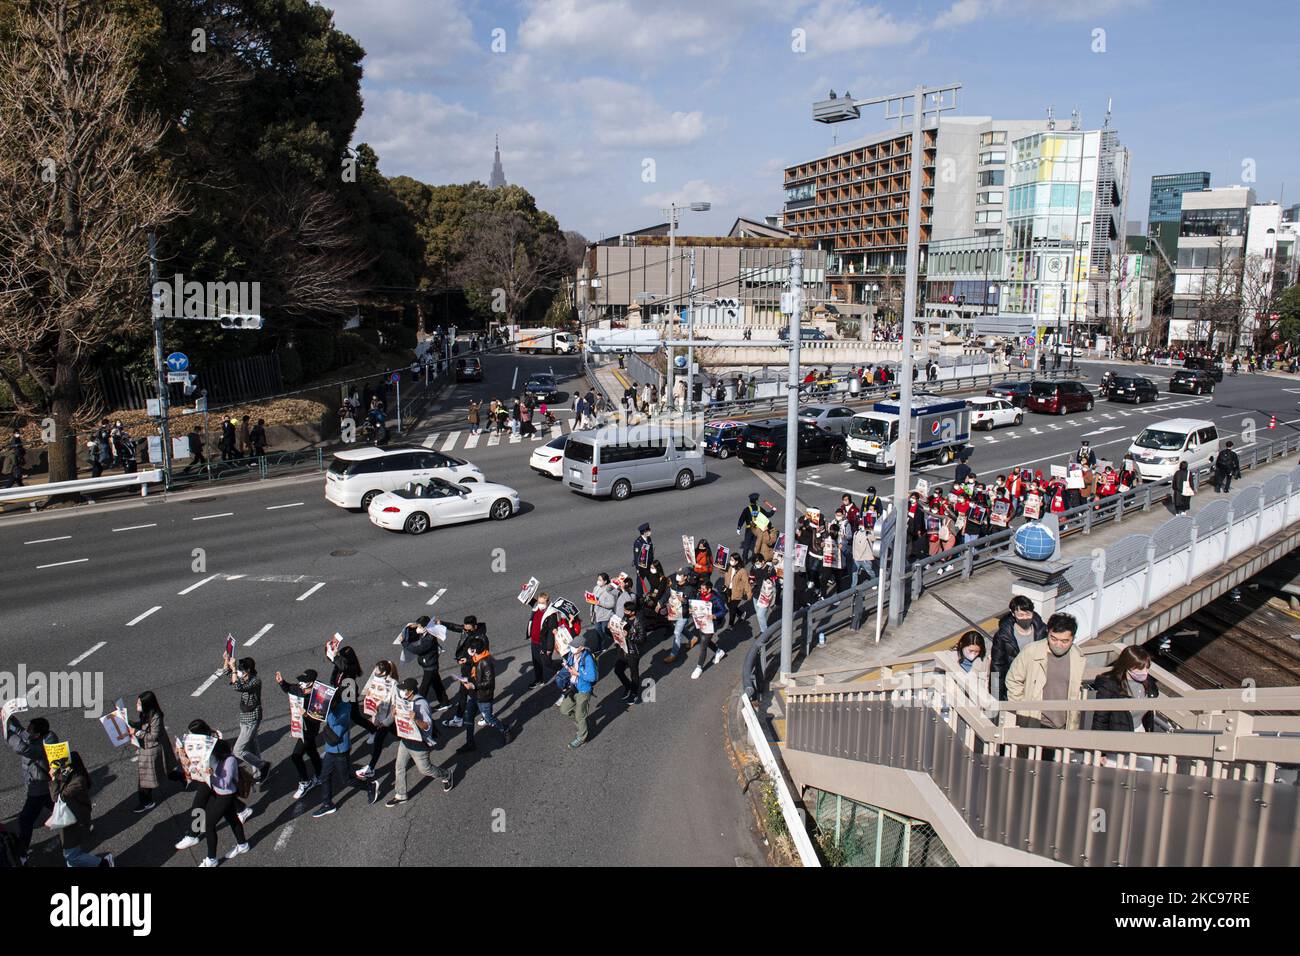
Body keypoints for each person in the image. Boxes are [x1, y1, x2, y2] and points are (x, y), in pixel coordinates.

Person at [1005, 612, 1086, 731]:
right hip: (1036, 720)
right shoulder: (1031, 651)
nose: (1058, 645)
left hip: (1065, 724)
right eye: (1053, 639)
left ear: (1073, 639)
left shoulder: (1078, 657)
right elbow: (1013, 680)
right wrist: (1022, 707)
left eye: (1064, 641)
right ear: (1048, 632)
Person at [385, 678, 453, 805]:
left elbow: (427, 726)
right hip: (405, 740)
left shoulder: (422, 704)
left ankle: (446, 774)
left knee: (425, 770)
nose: (401, 692)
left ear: (410, 692)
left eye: (404, 690)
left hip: (419, 743)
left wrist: (415, 718)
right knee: (399, 766)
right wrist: (394, 713)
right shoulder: (404, 701)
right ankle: (401, 794)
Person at [5, 715, 57, 863]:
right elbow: (21, 732)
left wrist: (6, 732)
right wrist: (9, 718)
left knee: (25, 820)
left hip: (38, 788)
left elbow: (21, 747)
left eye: (31, 729)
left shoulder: (39, 747)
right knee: (53, 804)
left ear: (38, 734)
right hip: (42, 786)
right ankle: (78, 820)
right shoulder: (40, 737)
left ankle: (22, 852)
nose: (27, 731)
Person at [49, 752, 113, 868]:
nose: (63, 768)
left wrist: (54, 779)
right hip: (70, 818)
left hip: (75, 821)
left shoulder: (78, 781)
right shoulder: (70, 776)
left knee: (72, 855)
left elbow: (57, 797)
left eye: (65, 765)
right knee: (71, 855)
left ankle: (103, 863)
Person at [455, 636, 510, 753]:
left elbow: (489, 683)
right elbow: (475, 662)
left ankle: (505, 729)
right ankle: (470, 743)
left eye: (471, 649)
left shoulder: (486, 662)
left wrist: (474, 686)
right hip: (475, 694)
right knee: (469, 718)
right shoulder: (478, 658)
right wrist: (467, 660)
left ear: (476, 650)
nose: (469, 651)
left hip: (483, 696)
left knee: (489, 718)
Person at [275, 668, 322, 799]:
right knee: (312, 751)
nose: (300, 684)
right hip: (301, 728)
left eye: (303, 682)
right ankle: (320, 774)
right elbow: (290, 688)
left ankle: (305, 782)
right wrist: (282, 682)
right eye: (300, 681)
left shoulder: (318, 696)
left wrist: (306, 714)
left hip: (309, 730)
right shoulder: (298, 689)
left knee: (296, 756)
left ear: (311, 683)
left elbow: (319, 718)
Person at [225, 655, 272, 786]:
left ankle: (263, 766)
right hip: (244, 717)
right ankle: (259, 773)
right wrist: (227, 661)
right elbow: (227, 673)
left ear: (248, 670)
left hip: (252, 719)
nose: (239, 672)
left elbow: (237, 687)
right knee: (252, 746)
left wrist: (233, 669)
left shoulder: (255, 681)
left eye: (241, 670)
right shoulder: (244, 677)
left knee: (238, 750)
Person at [1090, 647, 1161, 733]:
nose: (1145, 672)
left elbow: (1149, 715)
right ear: (1127, 667)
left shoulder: (1147, 683)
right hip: (1119, 737)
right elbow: (1100, 720)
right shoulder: (1110, 686)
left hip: (1140, 730)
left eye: (1147, 667)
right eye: (1140, 668)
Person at [127, 691, 174, 813]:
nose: (137, 704)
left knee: (144, 780)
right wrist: (133, 725)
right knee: (158, 773)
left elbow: (153, 736)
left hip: (151, 750)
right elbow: (143, 726)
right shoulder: (146, 713)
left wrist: (137, 732)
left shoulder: (156, 716)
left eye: (139, 702)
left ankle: (146, 802)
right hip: (147, 749)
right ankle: (182, 778)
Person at [991, 596, 1047, 700]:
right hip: (1014, 683)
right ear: (1013, 614)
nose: (1025, 618)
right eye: (1021, 615)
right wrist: (995, 696)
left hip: (1037, 682)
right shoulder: (1003, 636)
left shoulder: (1041, 630)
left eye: (1028, 614)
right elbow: (997, 665)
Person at [354, 660, 400, 786]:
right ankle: (415, 741)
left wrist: (385, 721)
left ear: (384, 672)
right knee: (396, 733)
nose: (375, 672)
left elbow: (395, 705)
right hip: (381, 719)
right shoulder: (377, 679)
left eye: (377, 671)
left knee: (379, 741)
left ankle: (370, 768)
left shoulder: (393, 684)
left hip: (386, 719)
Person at [312, 684, 353, 818]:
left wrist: (328, 709)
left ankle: (369, 786)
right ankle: (327, 804)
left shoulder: (344, 709)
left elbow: (335, 722)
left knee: (346, 780)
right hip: (331, 748)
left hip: (341, 749)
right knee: (325, 776)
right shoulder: (335, 707)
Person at [558, 635, 599, 748]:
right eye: (571, 646)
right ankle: (583, 726)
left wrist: (578, 673)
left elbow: (592, 677)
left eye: (574, 647)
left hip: (583, 690)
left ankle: (582, 738)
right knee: (564, 709)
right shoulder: (572, 654)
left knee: (580, 715)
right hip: (573, 687)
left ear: (581, 647)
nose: (572, 648)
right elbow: (570, 666)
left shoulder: (588, 658)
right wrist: (567, 667)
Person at [400, 615, 449, 707]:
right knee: (437, 684)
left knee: (423, 688)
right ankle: (444, 702)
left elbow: (418, 650)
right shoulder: (426, 632)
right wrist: (411, 628)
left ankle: (417, 706)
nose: (417, 628)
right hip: (430, 664)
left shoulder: (429, 638)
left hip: (430, 666)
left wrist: (404, 643)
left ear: (425, 627)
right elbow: (413, 635)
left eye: (419, 626)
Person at [689, 579, 728, 680]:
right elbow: (696, 604)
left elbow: (723, 610)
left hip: (712, 624)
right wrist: (692, 609)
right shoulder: (699, 595)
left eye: (703, 589)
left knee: (703, 645)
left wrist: (715, 616)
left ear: (709, 589)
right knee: (705, 640)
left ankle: (699, 667)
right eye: (701, 588)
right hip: (701, 622)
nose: (701, 590)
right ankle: (719, 652)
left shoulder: (716, 598)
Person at [523, 593, 561, 688]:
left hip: (543, 644)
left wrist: (549, 648)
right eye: (539, 602)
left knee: (546, 662)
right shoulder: (537, 607)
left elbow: (551, 634)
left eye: (542, 602)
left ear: (547, 602)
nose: (540, 604)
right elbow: (529, 600)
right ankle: (539, 680)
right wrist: (526, 590)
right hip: (534, 641)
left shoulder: (551, 614)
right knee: (536, 662)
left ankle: (559, 667)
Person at [613, 600, 646, 704]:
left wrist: (630, 636)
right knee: (618, 670)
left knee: (634, 674)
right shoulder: (624, 618)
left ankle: (634, 693)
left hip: (633, 652)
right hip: (623, 650)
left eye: (627, 610)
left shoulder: (638, 622)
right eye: (624, 609)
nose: (624, 611)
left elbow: (642, 639)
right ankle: (628, 686)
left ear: (633, 612)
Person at [589, 573, 619, 654]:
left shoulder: (609, 590)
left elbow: (611, 604)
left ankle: (617, 641)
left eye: (600, 580)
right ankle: (601, 646)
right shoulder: (596, 588)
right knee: (598, 631)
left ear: (605, 581)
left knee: (605, 631)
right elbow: (593, 599)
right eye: (598, 579)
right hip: (597, 614)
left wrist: (599, 603)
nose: (598, 581)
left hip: (606, 616)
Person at [723, 553, 752, 627]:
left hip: (737, 592)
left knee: (732, 610)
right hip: (728, 590)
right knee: (729, 605)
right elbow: (722, 573)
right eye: (730, 559)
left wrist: (749, 593)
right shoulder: (729, 567)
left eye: (732, 560)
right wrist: (720, 566)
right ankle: (741, 614)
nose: (730, 561)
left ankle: (730, 625)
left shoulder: (742, 571)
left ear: (737, 561)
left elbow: (746, 583)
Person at [736, 492, 762, 563]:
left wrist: (739, 527)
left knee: (746, 545)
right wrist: (773, 511)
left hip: (749, 529)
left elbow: (742, 519)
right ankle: (755, 560)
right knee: (755, 545)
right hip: (757, 530)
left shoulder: (747, 509)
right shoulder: (759, 509)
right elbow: (767, 515)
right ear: (756, 501)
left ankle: (744, 559)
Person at [632, 522, 654, 601]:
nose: (650, 531)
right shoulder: (638, 543)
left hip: (649, 565)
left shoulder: (648, 539)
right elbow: (636, 556)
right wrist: (638, 569)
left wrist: (652, 563)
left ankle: (653, 593)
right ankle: (640, 597)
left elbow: (651, 552)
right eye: (648, 530)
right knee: (640, 583)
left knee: (652, 580)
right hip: (641, 567)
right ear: (644, 532)